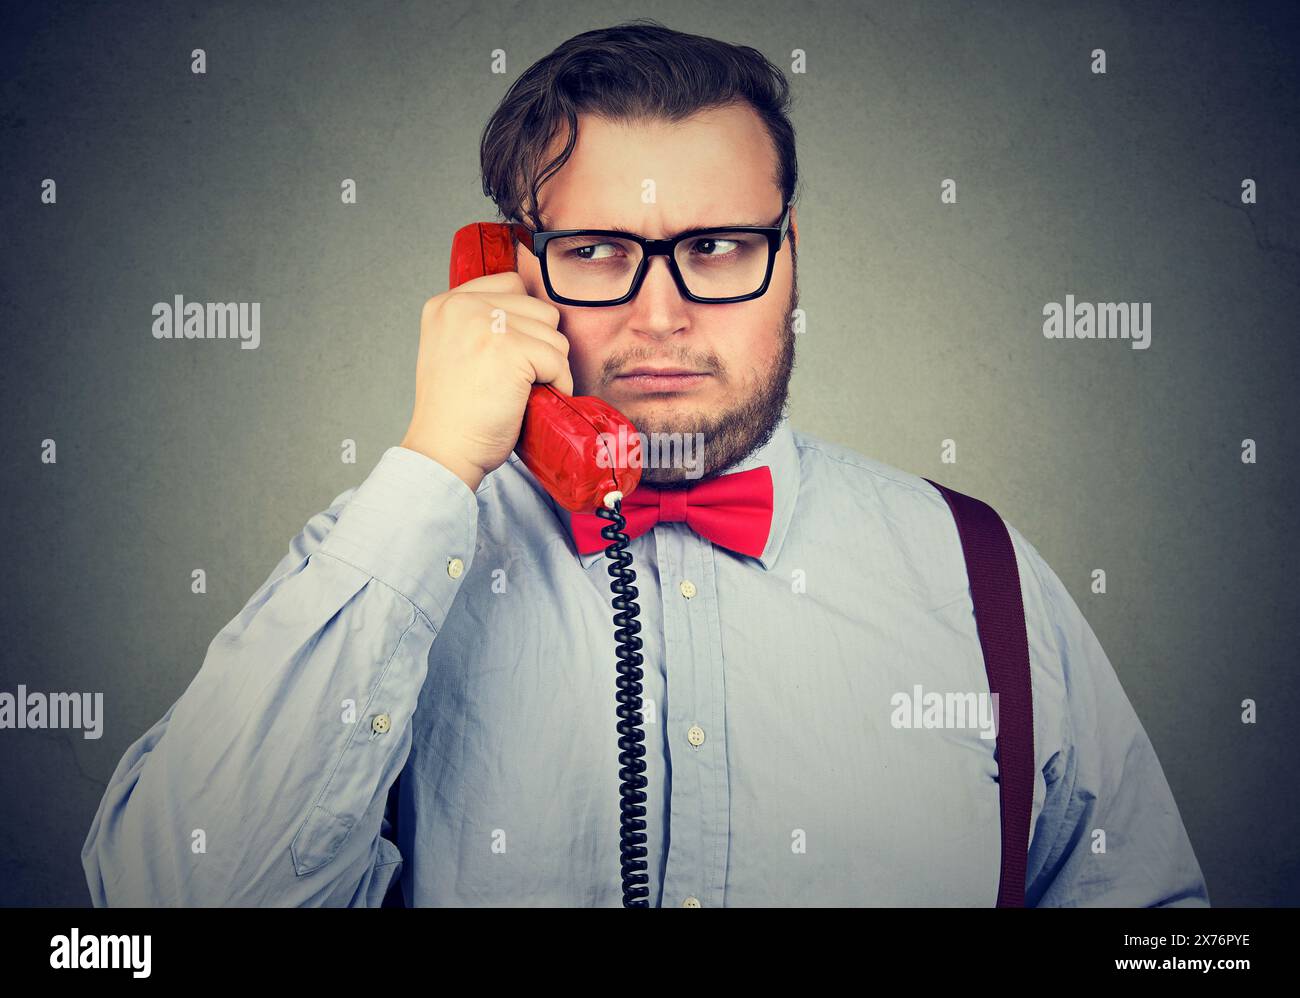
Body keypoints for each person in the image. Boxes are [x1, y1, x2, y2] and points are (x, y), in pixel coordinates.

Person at [82, 20, 1209, 907]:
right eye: (598, 251)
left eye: (717, 246)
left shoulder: (982, 574)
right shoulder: (383, 557)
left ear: (788, 256)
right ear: (510, 274)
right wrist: (432, 465)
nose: (661, 314)